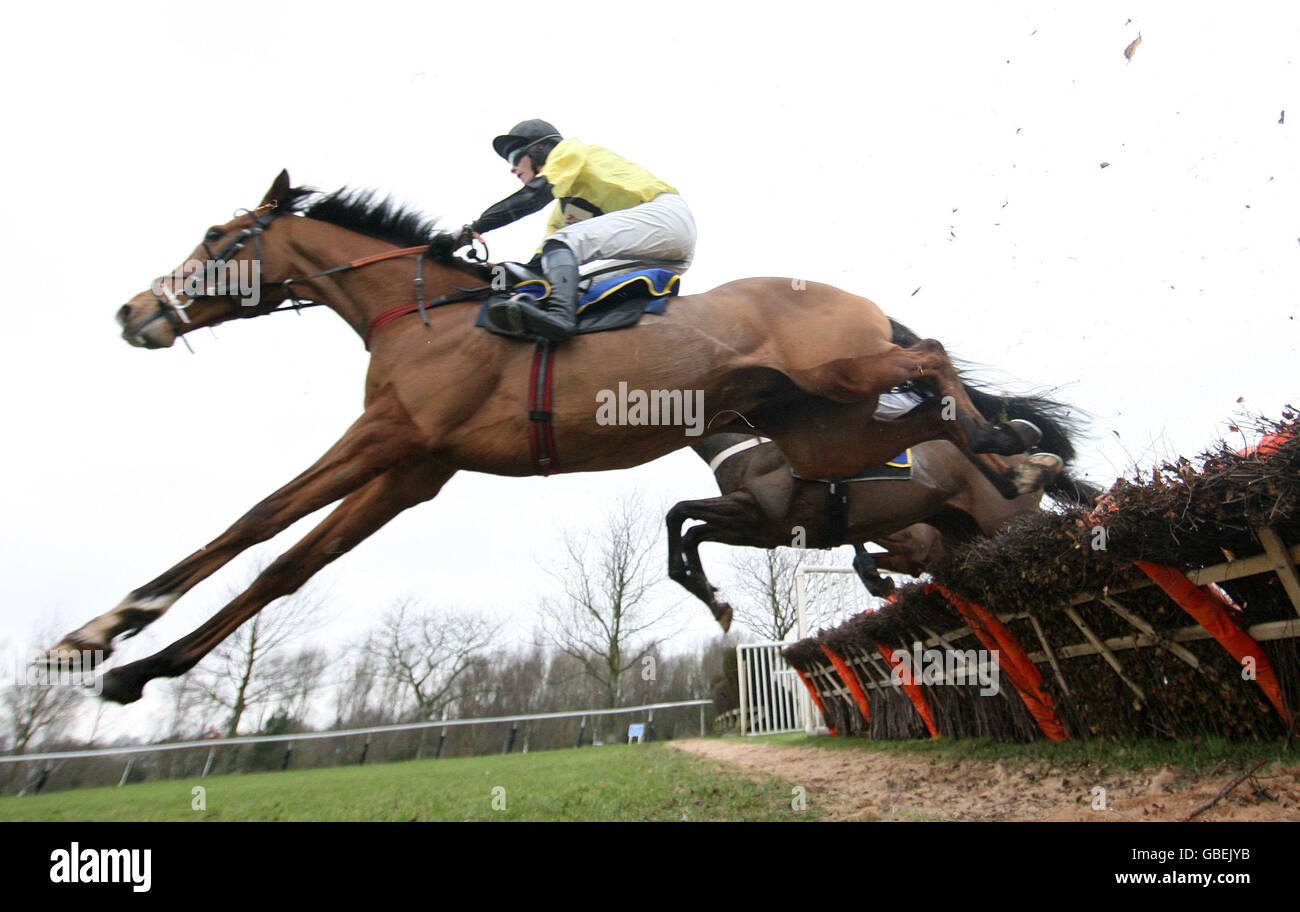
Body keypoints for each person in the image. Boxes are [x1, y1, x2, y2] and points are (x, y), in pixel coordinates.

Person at [441, 119, 696, 342]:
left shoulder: (569, 151)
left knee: (559, 246)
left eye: (516, 157)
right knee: (571, 285)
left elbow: (533, 197)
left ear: (541, 149)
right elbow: (540, 266)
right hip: (668, 255)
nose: (512, 167)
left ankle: (561, 320)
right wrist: (491, 272)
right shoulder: (564, 214)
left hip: (666, 217)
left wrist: (473, 228)